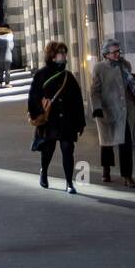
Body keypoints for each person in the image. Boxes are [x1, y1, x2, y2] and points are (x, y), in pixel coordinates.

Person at [28, 40, 86, 193]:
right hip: (49, 120)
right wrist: (38, 113)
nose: (64, 56)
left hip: (67, 120)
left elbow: (77, 100)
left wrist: (80, 122)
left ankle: (69, 182)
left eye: (64, 53)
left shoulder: (69, 77)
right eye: (61, 53)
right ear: (53, 56)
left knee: (67, 149)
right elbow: (33, 97)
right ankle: (44, 172)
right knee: (48, 149)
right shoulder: (41, 75)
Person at [90, 38, 135, 187]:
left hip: (126, 109)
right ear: (106, 54)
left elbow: (129, 83)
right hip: (107, 110)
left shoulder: (125, 64)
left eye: (118, 51)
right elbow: (94, 90)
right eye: (114, 52)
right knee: (107, 143)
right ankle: (106, 170)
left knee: (126, 143)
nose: (117, 54)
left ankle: (128, 176)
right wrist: (97, 108)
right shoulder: (99, 68)